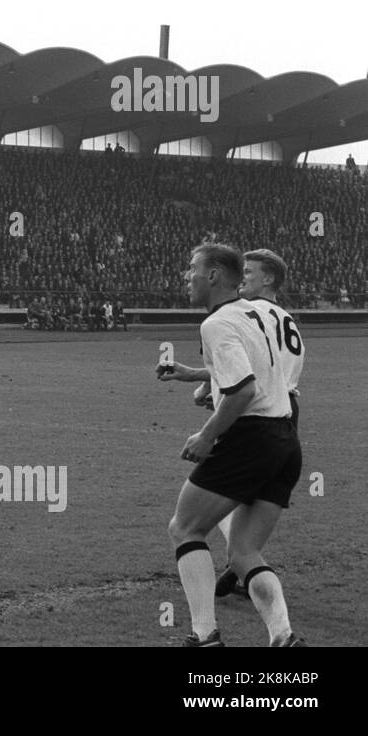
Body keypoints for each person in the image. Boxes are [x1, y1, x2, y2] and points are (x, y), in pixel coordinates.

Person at [163, 244, 304, 647]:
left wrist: (206, 435)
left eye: (192, 269)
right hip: (286, 439)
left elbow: (243, 390)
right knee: (243, 553)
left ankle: (205, 636)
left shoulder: (218, 322)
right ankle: (283, 637)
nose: (187, 276)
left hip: (251, 436)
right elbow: (260, 374)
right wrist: (203, 378)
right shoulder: (263, 313)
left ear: (212, 276)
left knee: (185, 527)